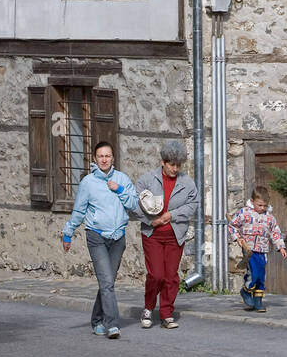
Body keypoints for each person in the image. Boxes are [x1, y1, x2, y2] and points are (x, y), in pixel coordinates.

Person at [62, 140, 138, 338]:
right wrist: (68, 232)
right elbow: (79, 210)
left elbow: (134, 204)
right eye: (100, 156)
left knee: (108, 282)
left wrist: (119, 190)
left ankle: (96, 319)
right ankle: (112, 325)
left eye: (108, 156)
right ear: (95, 159)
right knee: (106, 283)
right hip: (96, 236)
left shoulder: (122, 179)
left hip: (118, 238)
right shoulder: (88, 182)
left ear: (113, 158)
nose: (104, 159)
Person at [135, 139, 198, 329]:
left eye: (178, 165)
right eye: (171, 164)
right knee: (156, 275)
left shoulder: (187, 183)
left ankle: (166, 313)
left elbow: (193, 205)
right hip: (152, 235)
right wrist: (150, 221)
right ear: (163, 162)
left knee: (171, 276)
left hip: (175, 236)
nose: (175, 169)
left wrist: (172, 215)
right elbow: (134, 204)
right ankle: (148, 308)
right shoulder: (146, 180)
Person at [228, 185, 287, 313]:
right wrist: (238, 237)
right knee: (253, 273)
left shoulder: (269, 218)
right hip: (249, 250)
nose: (262, 208)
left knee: (261, 275)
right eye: (259, 205)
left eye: (265, 206)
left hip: (263, 249)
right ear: (253, 201)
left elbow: (275, 232)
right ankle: (246, 291)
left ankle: (258, 301)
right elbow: (232, 225)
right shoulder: (244, 213)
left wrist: (281, 247)